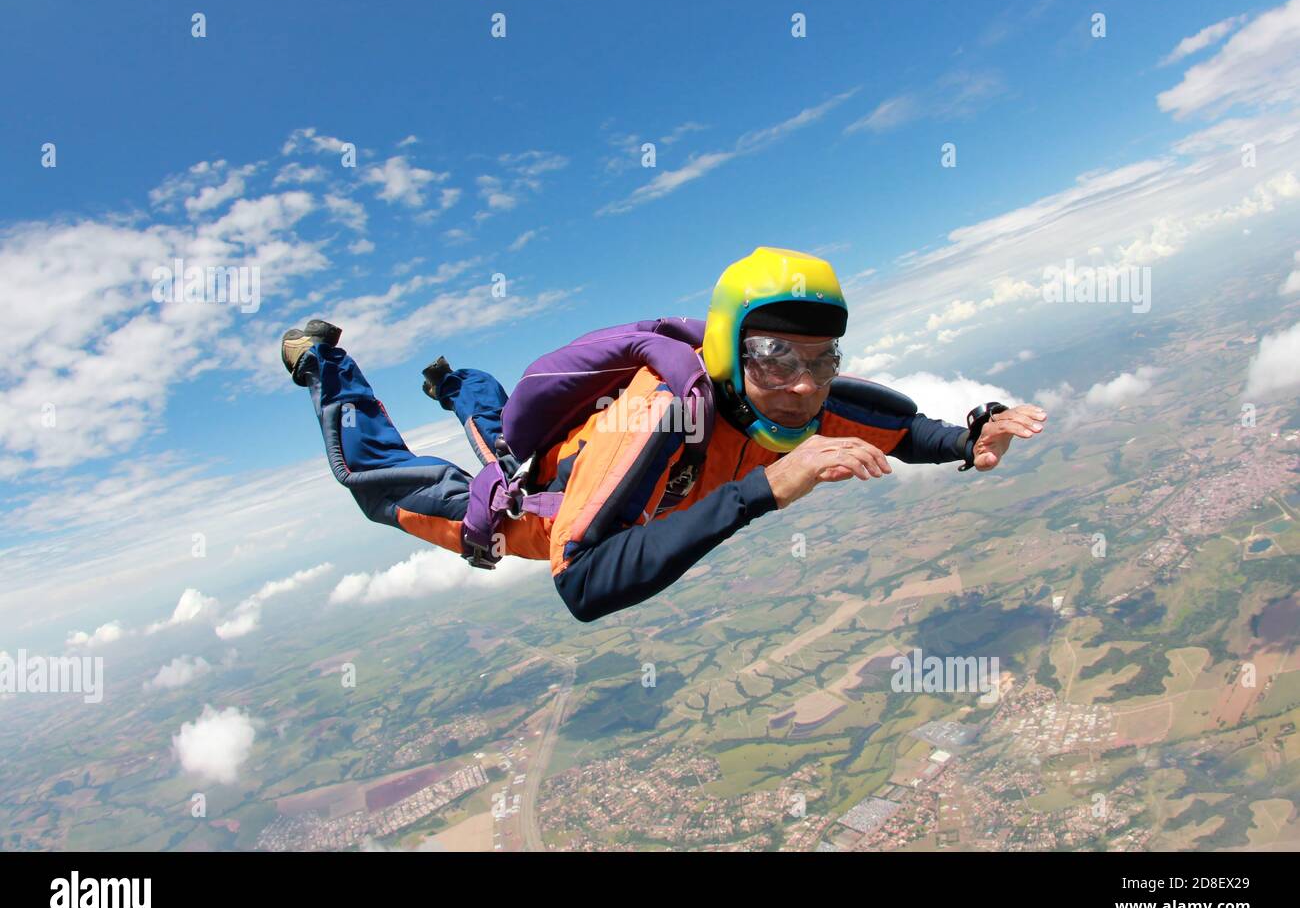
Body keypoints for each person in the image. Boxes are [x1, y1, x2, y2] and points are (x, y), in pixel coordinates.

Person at [281, 247, 1047, 621]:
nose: (805, 384)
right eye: (775, 356)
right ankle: (324, 360)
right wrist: (762, 491)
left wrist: (971, 441)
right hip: (550, 501)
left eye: (821, 357)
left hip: (591, 456)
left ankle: (452, 380)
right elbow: (580, 581)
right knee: (390, 482)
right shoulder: (667, 413)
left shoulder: (796, 405)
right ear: (727, 355)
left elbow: (899, 429)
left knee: (490, 417)